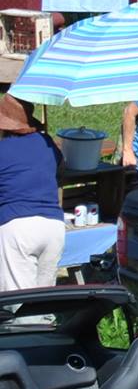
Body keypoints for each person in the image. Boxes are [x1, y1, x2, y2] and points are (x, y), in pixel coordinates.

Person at [0, 96, 63, 291]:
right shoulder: (45, 141)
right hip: (54, 227)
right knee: (43, 300)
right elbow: (58, 163)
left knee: (19, 304)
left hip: (18, 228)